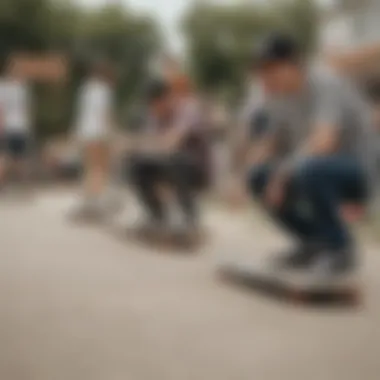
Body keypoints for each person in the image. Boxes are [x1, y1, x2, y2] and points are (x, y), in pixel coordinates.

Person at [246, 33, 375, 276]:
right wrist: (244, 175)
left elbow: (324, 142)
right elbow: (269, 143)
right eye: (262, 71)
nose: (267, 77)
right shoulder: (277, 97)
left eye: (272, 69)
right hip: (313, 168)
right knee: (258, 177)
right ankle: (312, 244)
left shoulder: (326, 84)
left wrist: (282, 174)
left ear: (294, 64)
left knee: (310, 168)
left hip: (357, 171)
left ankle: (340, 249)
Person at [129, 78, 210, 238]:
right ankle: (156, 216)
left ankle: (189, 219)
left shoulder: (187, 110)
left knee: (175, 159)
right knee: (136, 163)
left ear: (167, 98)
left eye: (157, 104)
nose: (154, 110)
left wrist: (147, 144)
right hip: (168, 163)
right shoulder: (153, 116)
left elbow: (171, 142)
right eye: (151, 106)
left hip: (197, 168)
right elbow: (145, 144)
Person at [71, 60, 115, 219]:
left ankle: (88, 200)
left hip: (85, 132)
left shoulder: (85, 89)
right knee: (100, 168)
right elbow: (105, 113)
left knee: (89, 167)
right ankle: (96, 201)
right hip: (99, 132)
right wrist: (111, 133)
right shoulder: (104, 89)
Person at [0, 64, 32, 189]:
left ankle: (21, 184)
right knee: (13, 157)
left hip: (16, 126)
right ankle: (21, 184)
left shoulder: (18, 87)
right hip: (14, 127)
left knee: (15, 158)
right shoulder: (19, 88)